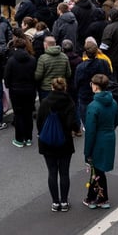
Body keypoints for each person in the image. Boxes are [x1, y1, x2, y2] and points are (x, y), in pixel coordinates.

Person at [36, 77, 81, 211]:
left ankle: (55, 202)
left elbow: (39, 122)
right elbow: (73, 123)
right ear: (65, 87)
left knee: (52, 172)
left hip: (47, 142)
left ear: (52, 87)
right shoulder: (69, 102)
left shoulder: (45, 102)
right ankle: (64, 202)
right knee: (64, 172)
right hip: (64, 141)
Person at [83, 73, 118, 209]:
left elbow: (90, 131)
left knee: (96, 169)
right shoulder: (113, 102)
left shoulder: (93, 106)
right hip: (109, 137)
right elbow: (117, 121)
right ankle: (94, 197)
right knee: (99, 169)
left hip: (98, 139)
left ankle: (99, 198)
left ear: (96, 86)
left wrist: (87, 151)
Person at [35, 35, 70, 102]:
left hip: (46, 88)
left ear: (45, 45)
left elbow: (38, 76)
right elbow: (68, 74)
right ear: (55, 44)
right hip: (61, 88)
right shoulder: (64, 57)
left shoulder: (43, 58)